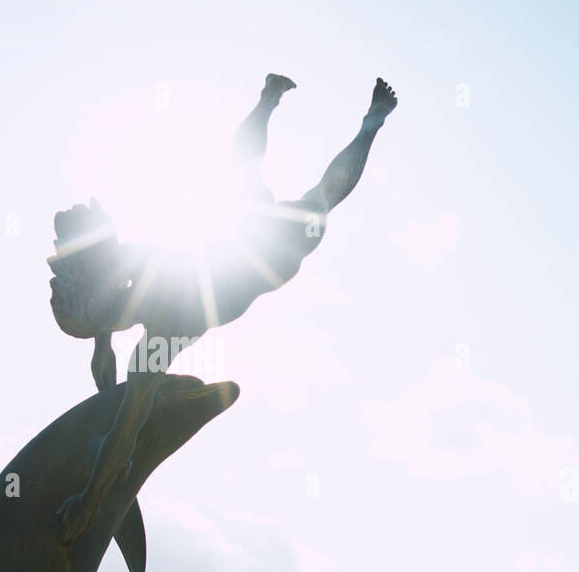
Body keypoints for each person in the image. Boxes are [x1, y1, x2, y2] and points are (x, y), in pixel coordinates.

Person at [47, 74, 398, 542]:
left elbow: (122, 432)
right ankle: (275, 100)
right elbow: (103, 359)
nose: (104, 331)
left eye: (99, 326)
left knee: (317, 195)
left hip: (265, 255)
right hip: (239, 240)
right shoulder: (127, 275)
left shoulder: (158, 333)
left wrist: (86, 506)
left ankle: (365, 121)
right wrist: (104, 376)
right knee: (250, 175)